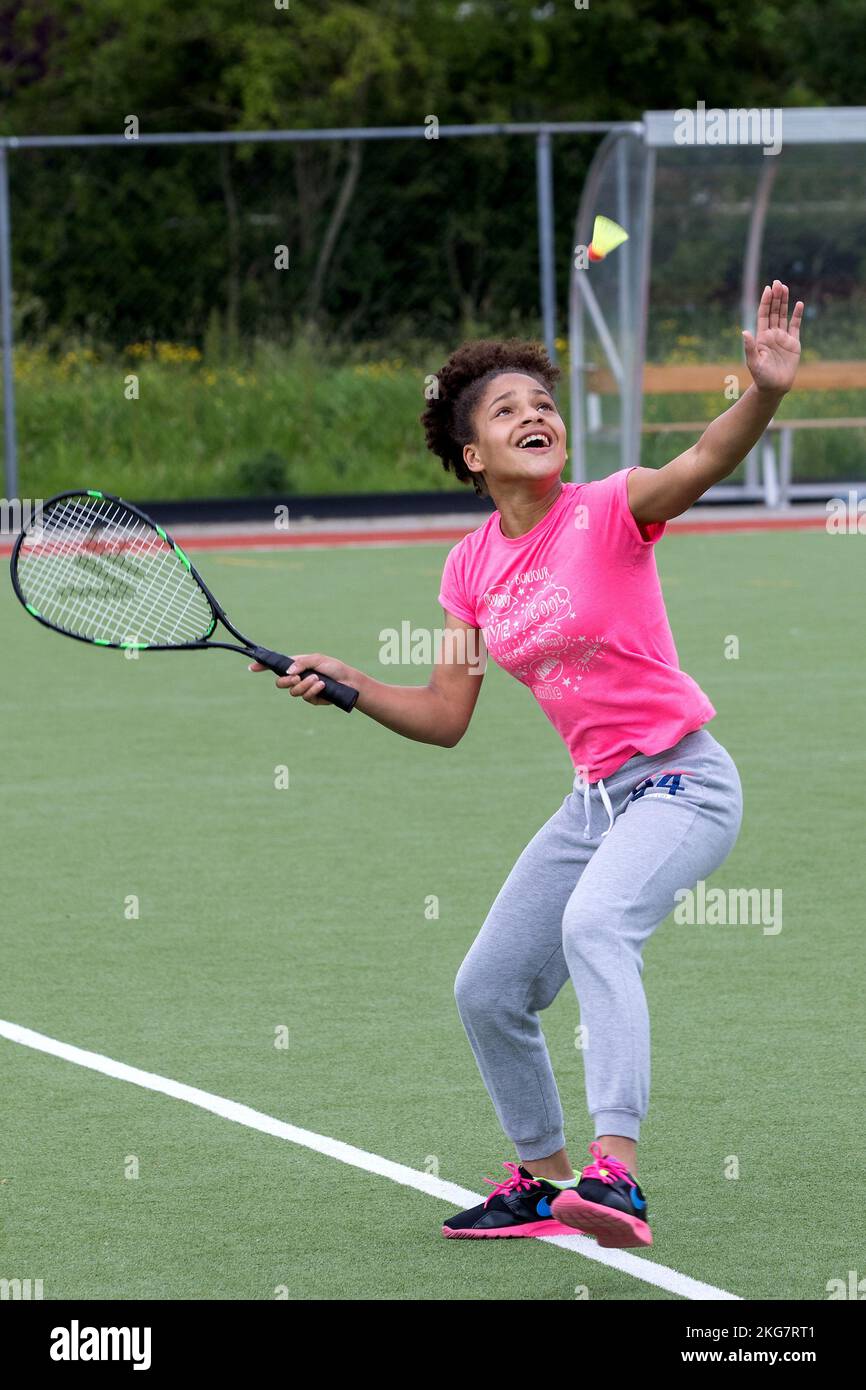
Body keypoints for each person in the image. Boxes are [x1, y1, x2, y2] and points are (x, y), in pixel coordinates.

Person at [252, 280, 804, 1247]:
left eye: (542, 403)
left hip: (682, 779)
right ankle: (547, 1185)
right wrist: (348, 682)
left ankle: (617, 1175)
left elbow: (706, 459)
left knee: (597, 924)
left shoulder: (610, 508)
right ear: (474, 455)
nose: (535, 413)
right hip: (594, 802)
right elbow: (443, 715)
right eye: (507, 410)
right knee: (488, 989)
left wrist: (761, 392)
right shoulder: (470, 568)